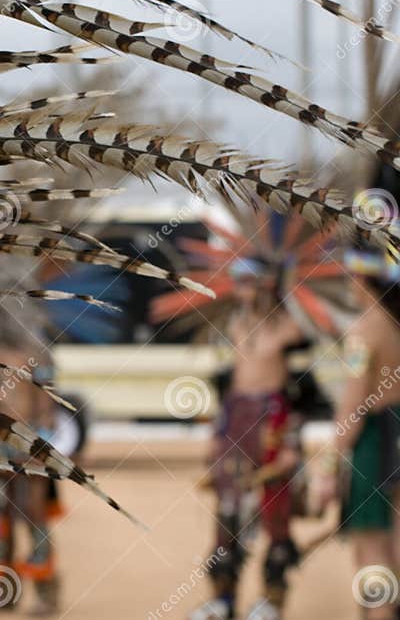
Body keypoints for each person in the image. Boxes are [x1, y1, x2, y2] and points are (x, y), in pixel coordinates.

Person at [191, 258, 304, 620]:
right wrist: (218, 435)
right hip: (238, 423)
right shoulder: (236, 326)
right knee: (228, 511)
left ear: (267, 285)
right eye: (237, 281)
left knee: (275, 511)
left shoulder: (290, 330)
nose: (241, 289)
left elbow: (300, 394)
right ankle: (224, 599)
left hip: (272, 423)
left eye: (248, 281)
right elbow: (232, 388)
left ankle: (272, 601)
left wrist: (292, 442)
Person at [311, 247, 400, 620]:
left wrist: (328, 466)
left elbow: (352, 408)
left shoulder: (364, 331)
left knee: (372, 556)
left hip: (377, 448)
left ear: (362, 280)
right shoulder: (394, 324)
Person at [0, 334, 61, 615]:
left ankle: (46, 596)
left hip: (29, 443)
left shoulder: (35, 353)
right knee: (1, 520)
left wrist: (41, 443)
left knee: (34, 517)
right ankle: (4, 592)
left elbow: (48, 405)